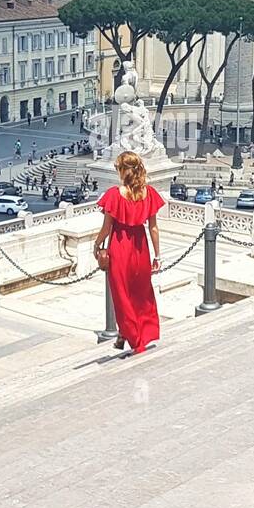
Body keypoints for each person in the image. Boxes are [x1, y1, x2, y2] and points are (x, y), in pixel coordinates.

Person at [94, 151, 164, 356]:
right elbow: (154, 228)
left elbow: (106, 228)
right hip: (141, 248)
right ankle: (133, 334)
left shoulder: (114, 195)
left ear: (124, 170)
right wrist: (157, 256)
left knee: (122, 296)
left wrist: (97, 245)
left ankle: (133, 337)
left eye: (118, 169)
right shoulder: (149, 193)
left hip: (120, 248)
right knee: (141, 294)